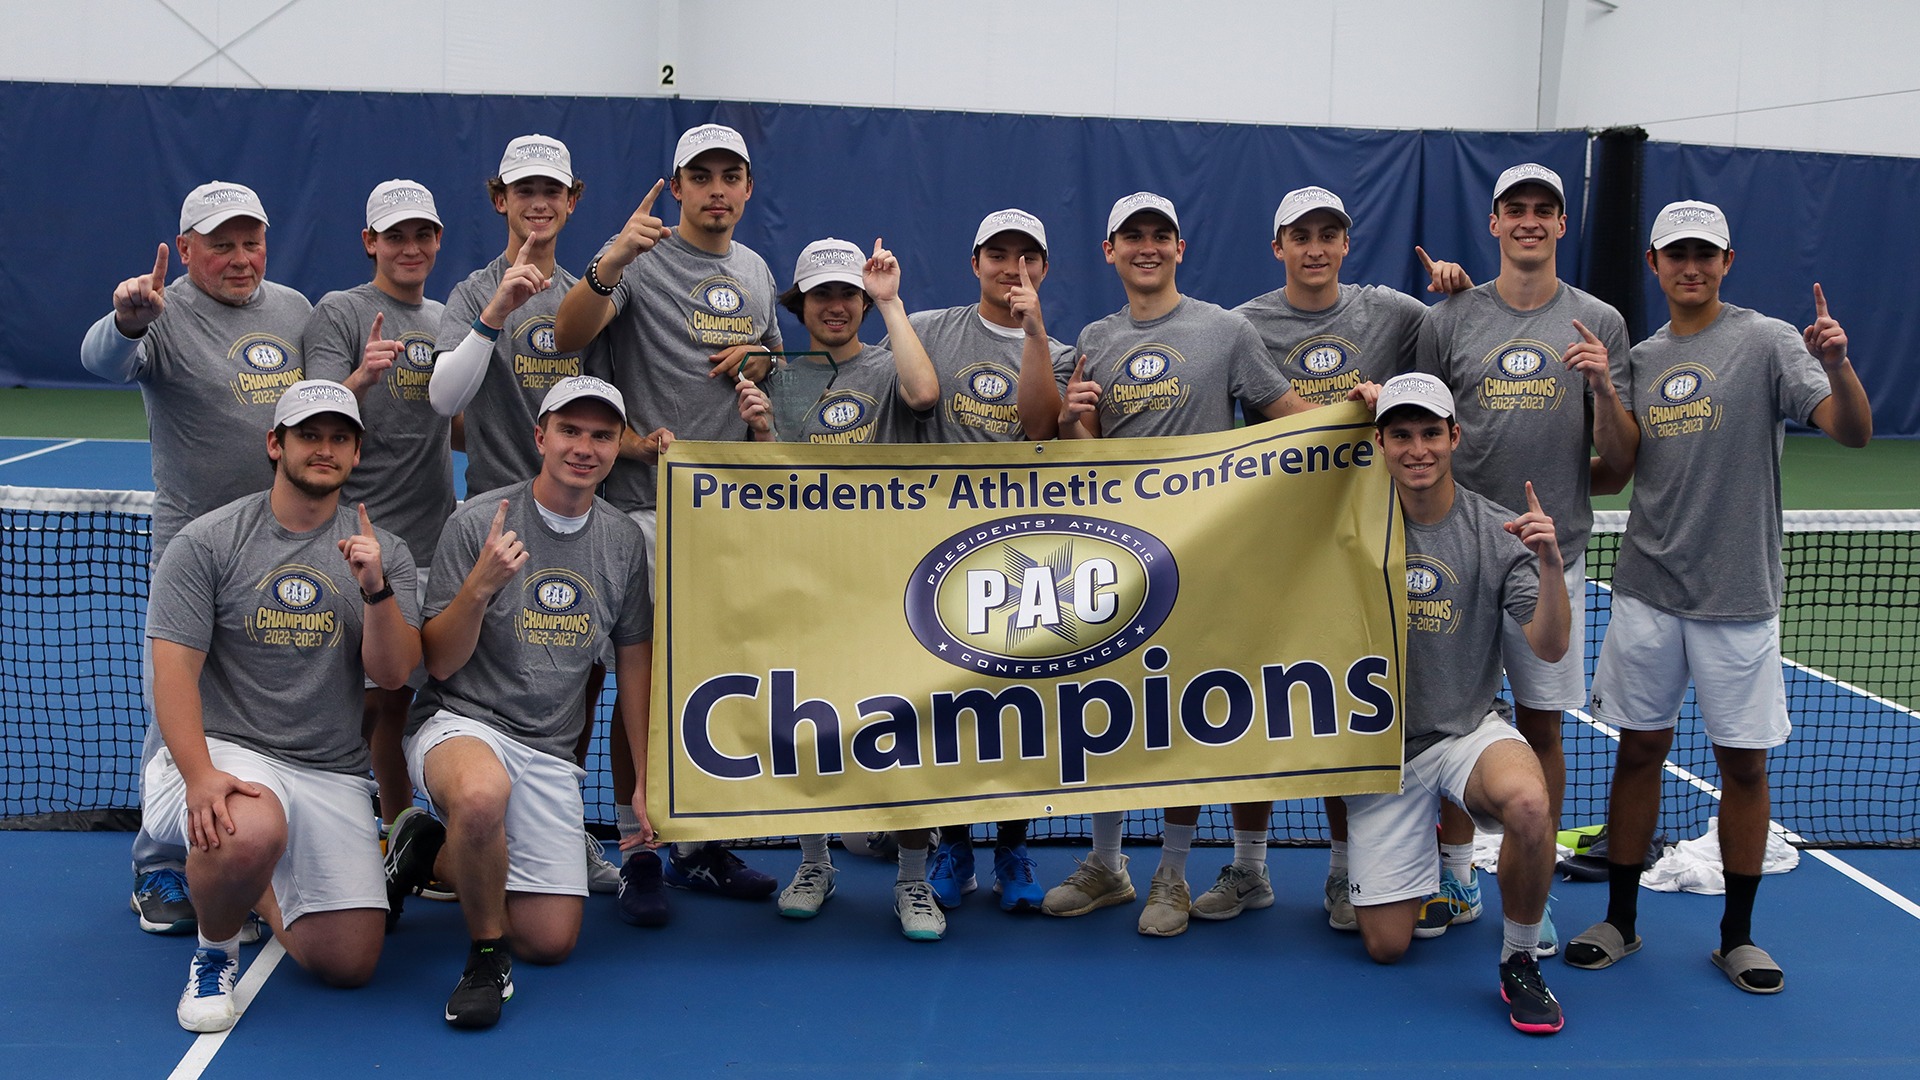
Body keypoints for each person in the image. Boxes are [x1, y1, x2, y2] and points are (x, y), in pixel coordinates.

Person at [1565, 200, 1871, 994]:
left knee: (1743, 769)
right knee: (1638, 753)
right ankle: (1621, 921)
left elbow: (1852, 431)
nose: (1690, 266)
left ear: (1727, 261)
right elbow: (1621, 462)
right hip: (1647, 591)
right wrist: (1603, 387)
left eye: (1705, 253)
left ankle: (1737, 937)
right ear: (1655, 265)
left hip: (1739, 597)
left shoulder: (1769, 340)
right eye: (1677, 254)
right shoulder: (1643, 352)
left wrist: (1837, 363)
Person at [1014, 191, 1310, 938]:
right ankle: (1108, 866)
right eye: (1132, 236)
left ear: (1180, 249)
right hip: (1116, 564)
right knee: (1107, 712)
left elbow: (1293, 420)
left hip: (1206, 564)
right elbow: (1077, 450)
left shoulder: (1225, 331)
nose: (1147, 247)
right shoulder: (1095, 336)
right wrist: (1079, 418)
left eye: (1161, 236)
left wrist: (1367, 417)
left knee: (1188, 717)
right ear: (1110, 252)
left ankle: (1173, 873)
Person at [551, 123, 781, 919]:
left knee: (707, 686)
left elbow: (771, 357)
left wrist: (759, 359)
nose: (717, 189)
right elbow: (567, 333)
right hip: (641, 509)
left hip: (723, 517)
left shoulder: (754, 268)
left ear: (748, 188)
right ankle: (638, 844)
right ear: (677, 186)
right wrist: (612, 257)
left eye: (731, 176)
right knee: (638, 688)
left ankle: (698, 844)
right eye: (701, 176)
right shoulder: (640, 262)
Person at [1227, 185, 1470, 931]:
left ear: (1345, 244)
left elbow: (1453, 360)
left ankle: (1342, 874)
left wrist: (1458, 294)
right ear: (1279, 246)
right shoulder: (1243, 325)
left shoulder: (1394, 313)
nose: (1316, 247)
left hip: (1366, 540)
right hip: (1276, 540)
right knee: (1256, 700)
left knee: (1341, 703)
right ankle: (1248, 867)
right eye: (1301, 235)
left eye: (1329, 234)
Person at [144, 379, 421, 1032]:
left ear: (355, 455)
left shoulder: (389, 555)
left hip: (327, 768)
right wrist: (199, 774)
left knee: (348, 964)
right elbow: (173, 673)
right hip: (226, 751)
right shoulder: (208, 543)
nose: (323, 449)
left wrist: (376, 592)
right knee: (251, 830)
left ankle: (260, 886)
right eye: (308, 436)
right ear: (276, 444)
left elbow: (392, 676)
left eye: (338, 439)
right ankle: (215, 952)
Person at [384, 376, 655, 1028]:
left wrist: (645, 782)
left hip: (548, 750)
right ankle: (484, 958)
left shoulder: (621, 542)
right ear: (541, 436)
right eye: (569, 431)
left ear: (618, 446)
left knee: (553, 940)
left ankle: (425, 847)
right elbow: (436, 663)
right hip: (460, 722)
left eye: (601, 434)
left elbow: (635, 663)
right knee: (479, 798)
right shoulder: (478, 521)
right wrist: (479, 588)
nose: (583, 447)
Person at [1412, 164, 1636, 951]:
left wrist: (1606, 390)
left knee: (1541, 724)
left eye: (1546, 210)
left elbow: (1619, 462)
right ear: (1496, 222)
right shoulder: (1450, 319)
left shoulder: (1599, 321)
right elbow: (1422, 432)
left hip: (1551, 555)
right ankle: (1455, 875)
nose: (1532, 221)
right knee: (1446, 721)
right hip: (1458, 556)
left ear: (1562, 225)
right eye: (1518, 210)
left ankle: (1526, 887)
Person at [82, 180, 315, 938]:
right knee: (177, 703)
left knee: (269, 687)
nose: (240, 258)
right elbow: (101, 361)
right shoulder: (161, 311)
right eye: (221, 245)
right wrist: (125, 320)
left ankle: (246, 838)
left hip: (280, 542)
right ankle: (158, 864)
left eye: (251, 242)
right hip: (193, 550)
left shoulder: (293, 309)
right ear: (186, 251)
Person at [734, 236, 947, 939]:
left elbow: (924, 395)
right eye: (822, 295)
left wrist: (891, 302)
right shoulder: (781, 376)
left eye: (847, 294)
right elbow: (775, 487)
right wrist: (763, 432)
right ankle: (815, 862)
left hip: (893, 578)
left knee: (911, 728)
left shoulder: (892, 365)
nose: (835, 306)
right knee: (809, 724)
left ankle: (913, 881)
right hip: (808, 582)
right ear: (800, 306)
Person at [1345, 372, 1569, 1035]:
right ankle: (1429, 858)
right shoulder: (1347, 525)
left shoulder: (1496, 533)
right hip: (1379, 752)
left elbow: (1550, 647)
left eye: (1431, 434)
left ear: (1454, 438)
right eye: (1402, 434)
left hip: (1464, 733)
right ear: (1381, 442)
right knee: (1387, 947)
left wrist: (1552, 566)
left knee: (1529, 804)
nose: (1418, 449)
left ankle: (1521, 960)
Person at [426, 134, 620, 896]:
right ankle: (465, 822)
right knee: (475, 676)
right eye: (522, 190)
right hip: (494, 520)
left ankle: (558, 821)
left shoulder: (588, 295)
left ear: (572, 199)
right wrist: (494, 312)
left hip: (577, 521)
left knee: (578, 679)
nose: (538, 203)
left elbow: (607, 411)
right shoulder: (470, 291)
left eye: (552, 190)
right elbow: (445, 400)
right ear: (497, 198)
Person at [901, 208, 1076, 913]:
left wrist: (1031, 330)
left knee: (1019, 706)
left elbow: (1039, 424)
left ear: (1043, 267)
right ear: (975, 263)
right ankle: (956, 847)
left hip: (1022, 554)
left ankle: (1011, 845)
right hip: (936, 547)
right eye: (998, 255)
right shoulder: (932, 328)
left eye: (1026, 256)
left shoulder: (1059, 350)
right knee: (947, 704)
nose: (1012, 268)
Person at [303, 179, 451, 829]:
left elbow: (454, 423)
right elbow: (314, 418)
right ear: (371, 243)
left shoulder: (447, 318)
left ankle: (397, 837)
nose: (410, 247)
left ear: (438, 240)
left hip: (433, 537)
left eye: (422, 234)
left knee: (400, 699)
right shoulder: (340, 311)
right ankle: (342, 824)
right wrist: (361, 376)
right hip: (358, 540)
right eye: (395, 236)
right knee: (357, 702)